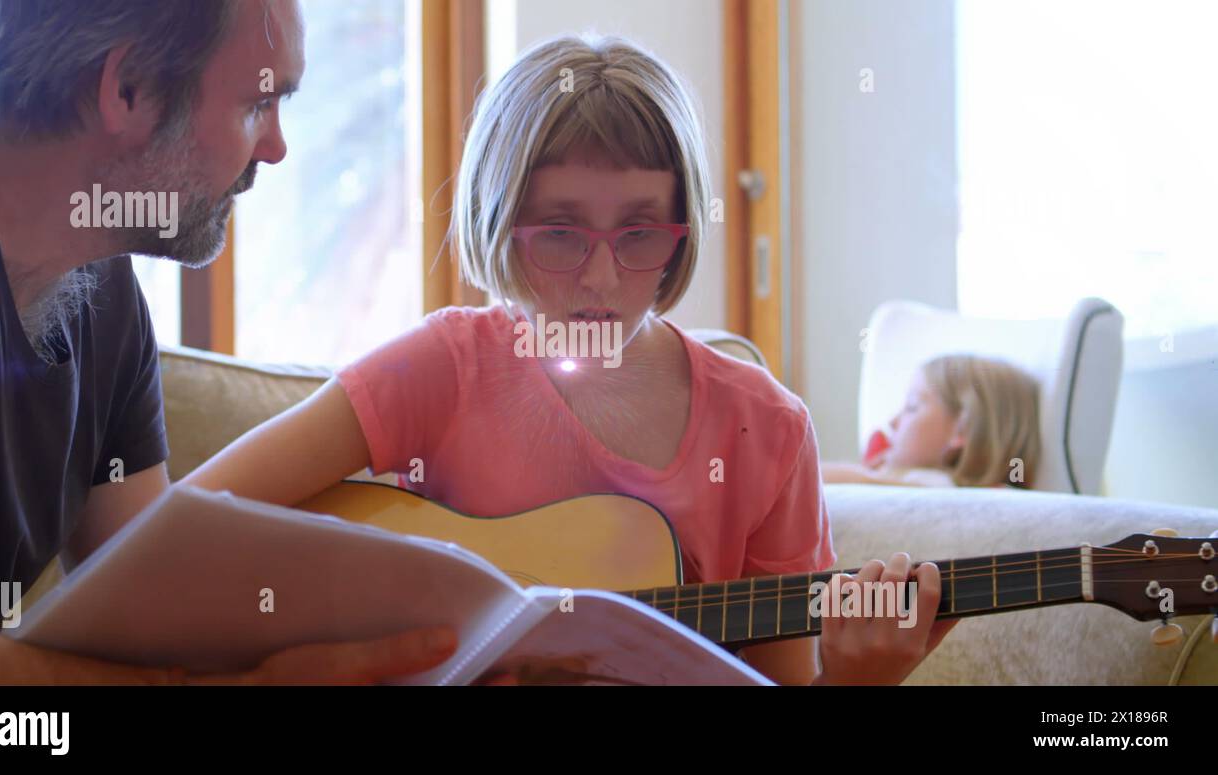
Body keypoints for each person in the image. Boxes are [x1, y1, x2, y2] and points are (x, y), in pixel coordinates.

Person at [185, 34, 957, 685]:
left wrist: (858, 679)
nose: (599, 276)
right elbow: (185, 523)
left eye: (639, 233)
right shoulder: (447, 366)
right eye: (559, 233)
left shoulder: (767, 430)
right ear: (499, 216)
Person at [0, 0, 457, 685]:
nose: (276, 147)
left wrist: (435, 652)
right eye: (257, 105)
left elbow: (146, 603)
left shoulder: (104, 296)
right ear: (129, 88)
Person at [823, 354, 1042, 488]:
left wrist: (871, 476)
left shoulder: (937, 486)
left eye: (912, 406)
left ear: (962, 429)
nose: (892, 422)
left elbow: (809, 481)